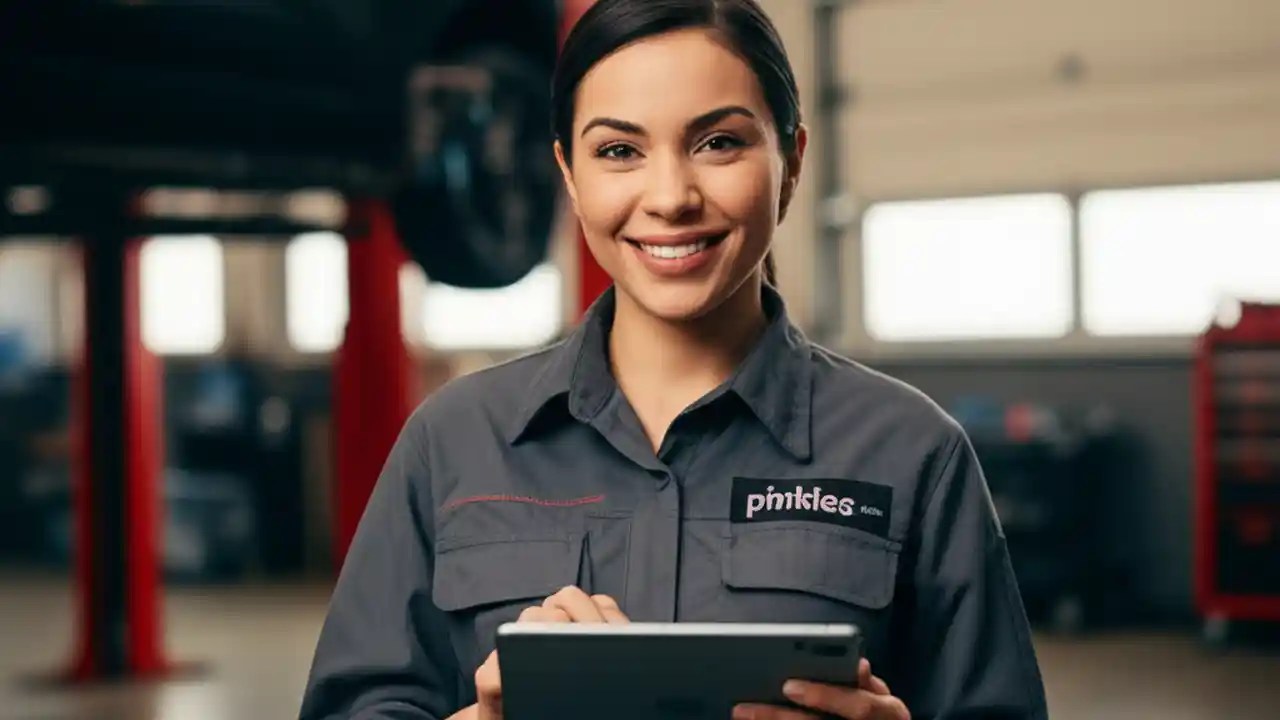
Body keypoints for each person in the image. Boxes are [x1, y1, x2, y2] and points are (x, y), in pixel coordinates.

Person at [299, 0, 1049, 718]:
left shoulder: (912, 453)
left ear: (791, 161)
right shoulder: (454, 444)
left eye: (718, 142)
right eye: (618, 151)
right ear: (569, 174)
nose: (670, 197)